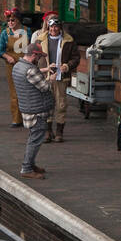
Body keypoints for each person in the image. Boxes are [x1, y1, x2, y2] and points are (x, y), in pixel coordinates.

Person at [35, 14, 80, 144]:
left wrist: (67, 65)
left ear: (60, 27)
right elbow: (35, 57)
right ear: (48, 27)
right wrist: (42, 69)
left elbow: (76, 58)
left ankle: (59, 131)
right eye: (51, 26)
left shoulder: (68, 40)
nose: (54, 29)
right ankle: (48, 131)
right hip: (46, 77)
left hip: (61, 77)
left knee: (61, 104)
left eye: (56, 26)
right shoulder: (40, 40)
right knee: (47, 105)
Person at [12, 45, 54, 180]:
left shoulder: (17, 66)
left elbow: (31, 74)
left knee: (33, 137)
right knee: (35, 140)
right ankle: (27, 168)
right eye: (39, 56)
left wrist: (44, 70)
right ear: (34, 55)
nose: (40, 58)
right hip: (37, 111)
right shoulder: (31, 70)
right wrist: (51, 79)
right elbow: (45, 87)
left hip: (27, 108)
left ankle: (31, 164)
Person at [0, 9, 30, 126]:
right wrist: (7, 57)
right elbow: (0, 50)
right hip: (11, 66)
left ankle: (27, 118)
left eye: (13, 20)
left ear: (18, 20)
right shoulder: (5, 33)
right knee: (14, 93)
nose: (10, 23)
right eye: (8, 21)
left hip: (26, 65)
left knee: (26, 92)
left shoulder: (27, 31)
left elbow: (31, 47)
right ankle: (16, 119)